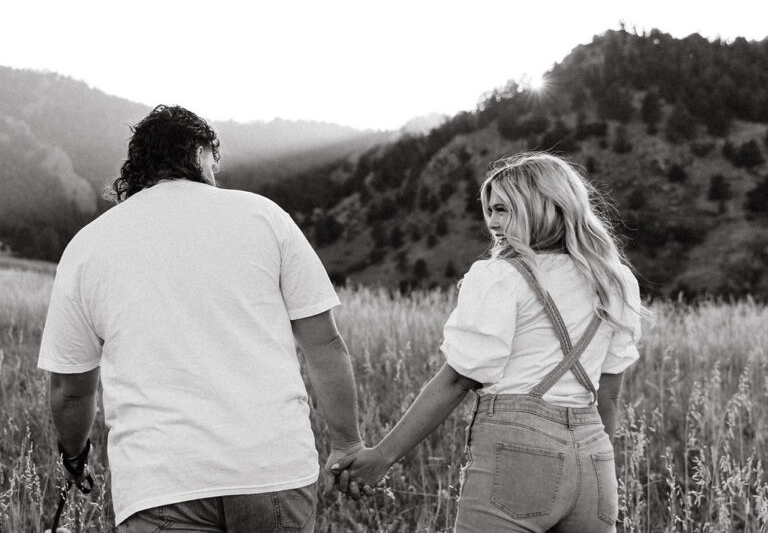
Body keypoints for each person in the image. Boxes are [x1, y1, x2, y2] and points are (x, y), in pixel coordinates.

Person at [38, 105, 366, 531]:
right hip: (272, 471)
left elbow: (70, 388)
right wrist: (347, 442)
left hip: (161, 482)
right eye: (215, 160)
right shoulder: (265, 217)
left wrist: (75, 457)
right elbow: (324, 344)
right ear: (200, 153)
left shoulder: (87, 246)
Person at [333, 152, 650, 532]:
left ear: (540, 206)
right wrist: (596, 468)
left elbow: (458, 379)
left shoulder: (501, 276)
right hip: (595, 458)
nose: (492, 223)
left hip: (518, 456)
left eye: (502, 209)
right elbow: (609, 395)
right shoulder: (614, 281)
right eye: (489, 210)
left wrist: (382, 456)